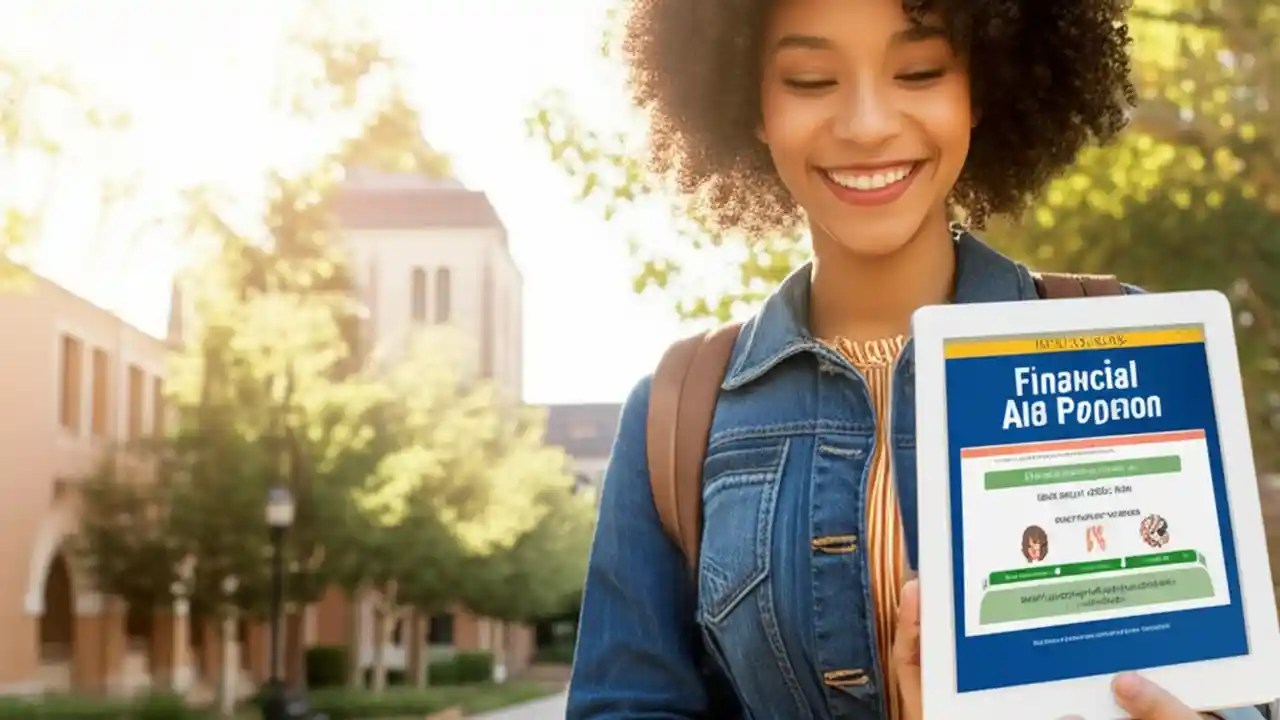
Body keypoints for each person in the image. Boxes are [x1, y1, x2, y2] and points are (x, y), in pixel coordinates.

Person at [566, 0, 1265, 718]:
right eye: (810, 79)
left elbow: (1229, 688)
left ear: (981, 90)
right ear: (754, 106)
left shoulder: (1136, 350)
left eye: (920, 70)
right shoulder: (680, 412)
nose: (868, 124)